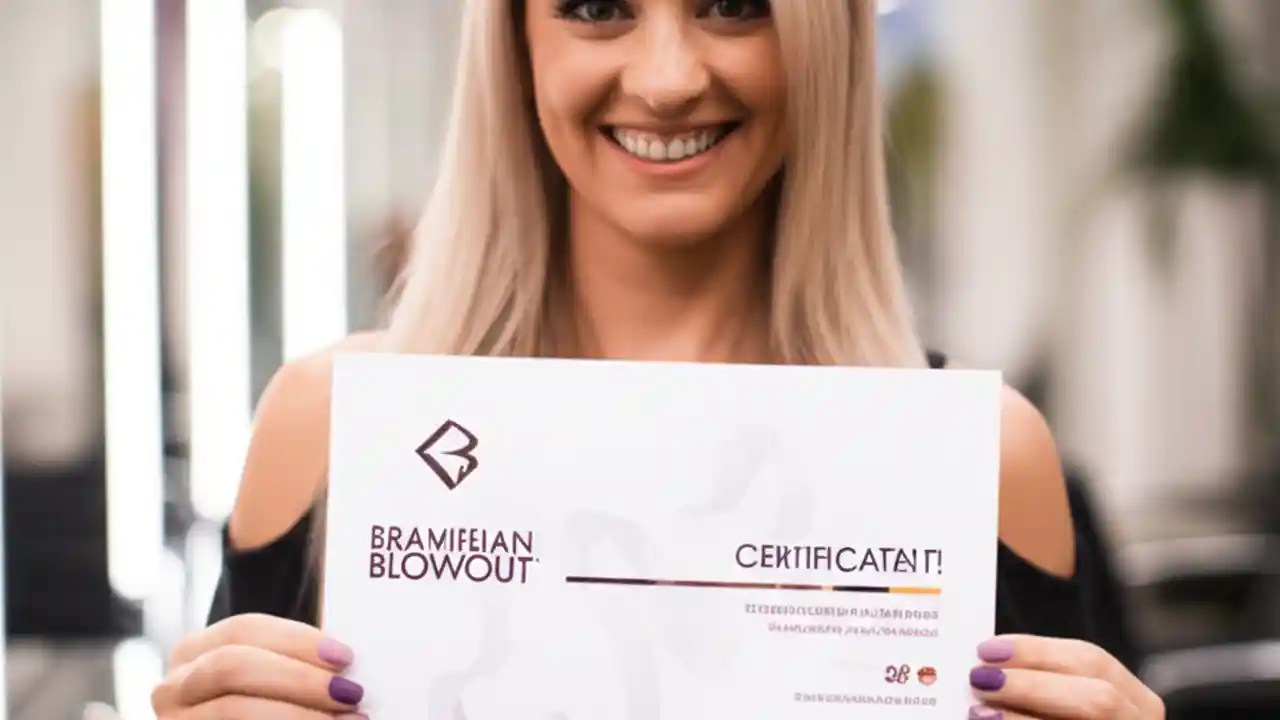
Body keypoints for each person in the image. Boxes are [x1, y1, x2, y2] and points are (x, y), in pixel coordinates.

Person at [151, 1, 1166, 718]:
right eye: (596, 7)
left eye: (733, 5)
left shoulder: (986, 460)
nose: (669, 78)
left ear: (821, 34)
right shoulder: (326, 431)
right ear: (514, 42)